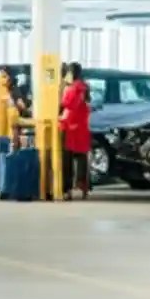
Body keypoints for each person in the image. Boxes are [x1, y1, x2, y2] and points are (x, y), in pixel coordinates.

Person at [58, 62, 92, 200]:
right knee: (82, 158)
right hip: (82, 127)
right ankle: (83, 187)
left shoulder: (73, 88)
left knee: (67, 160)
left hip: (70, 126)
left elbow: (67, 104)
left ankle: (67, 190)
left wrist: (61, 91)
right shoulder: (84, 87)